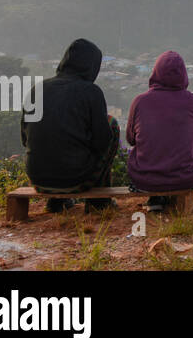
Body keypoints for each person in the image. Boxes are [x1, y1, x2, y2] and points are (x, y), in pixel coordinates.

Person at [21, 38, 120, 214]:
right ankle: (99, 201)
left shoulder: (38, 89)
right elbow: (102, 141)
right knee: (111, 123)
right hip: (76, 180)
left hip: (38, 180)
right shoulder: (91, 92)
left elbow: (25, 138)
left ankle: (55, 202)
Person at [126, 50, 193, 210]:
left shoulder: (140, 102)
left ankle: (156, 199)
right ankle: (185, 193)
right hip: (184, 179)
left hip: (143, 181)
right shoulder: (192, 101)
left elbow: (130, 139)